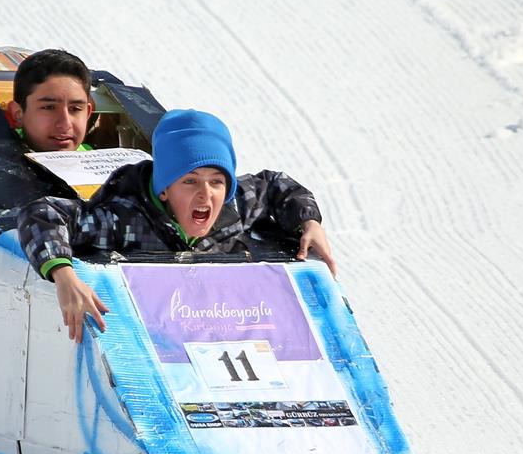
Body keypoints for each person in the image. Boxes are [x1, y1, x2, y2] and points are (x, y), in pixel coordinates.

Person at [18, 108, 338, 342]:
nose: (205, 194)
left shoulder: (234, 206)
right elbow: (42, 214)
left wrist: (308, 221)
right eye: (189, 181)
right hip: (151, 324)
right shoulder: (125, 219)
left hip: (210, 320)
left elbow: (278, 185)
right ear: (164, 190)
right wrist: (63, 275)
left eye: (216, 181)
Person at [5, 49, 94, 153]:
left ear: (87, 114)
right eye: (49, 107)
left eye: (75, 109)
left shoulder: (102, 161)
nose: (65, 124)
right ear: (18, 114)